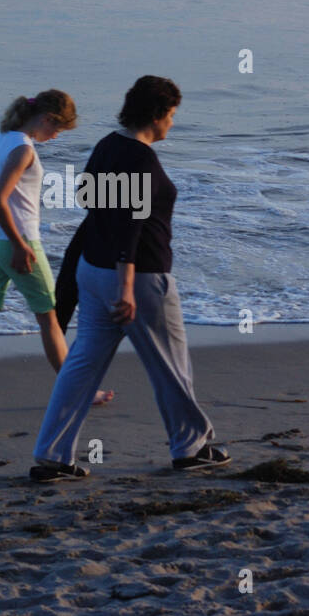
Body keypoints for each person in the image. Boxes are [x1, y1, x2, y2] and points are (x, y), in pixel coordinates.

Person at [30, 76, 228, 481]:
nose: (172, 124)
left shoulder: (107, 145)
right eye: (170, 116)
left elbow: (89, 203)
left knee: (82, 366)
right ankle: (190, 448)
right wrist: (126, 289)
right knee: (170, 366)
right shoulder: (140, 159)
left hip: (92, 271)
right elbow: (131, 227)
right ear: (156, 115)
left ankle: (53, 456)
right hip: (138, 280)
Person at [0, 91, 114, 416]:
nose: (56, 137)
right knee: (49, 319)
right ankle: (80, 393)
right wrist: (18, 245)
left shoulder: (4, 138)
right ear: (47, 119)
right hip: (19, 244)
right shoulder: (23, 150)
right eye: (58, 129)